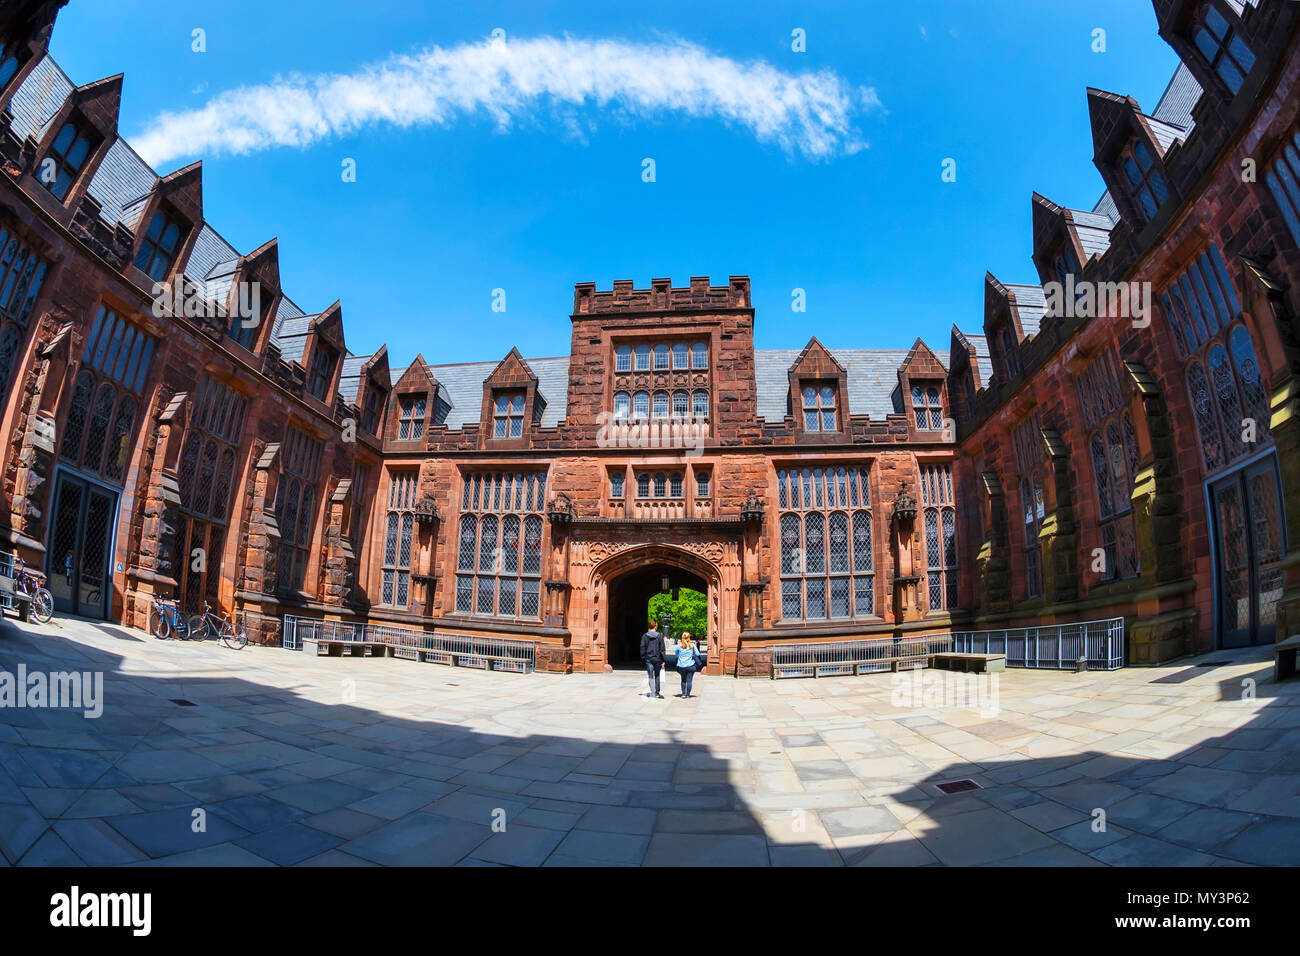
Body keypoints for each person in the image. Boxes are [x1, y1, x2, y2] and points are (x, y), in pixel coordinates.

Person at [639, 619, 665, 699]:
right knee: (657, 675)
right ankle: (657, 693)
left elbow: (642, 646)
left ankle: (653, 692)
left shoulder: (645, 636)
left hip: (649, 658)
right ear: (655, 626)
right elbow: (662, 649)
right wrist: (663, 659)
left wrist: (643, 656)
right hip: (657, 658)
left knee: (650, 676)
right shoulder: (659, 636)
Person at [676, 632, 698, 698]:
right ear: (689, 637)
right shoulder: (692, 646)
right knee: (689, 680)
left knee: (683, 680)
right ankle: (688, 695)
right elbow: (697, 654)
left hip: (682, 666)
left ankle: (683, 694)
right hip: (691, 665)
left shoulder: (679, 646)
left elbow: (677, 655)